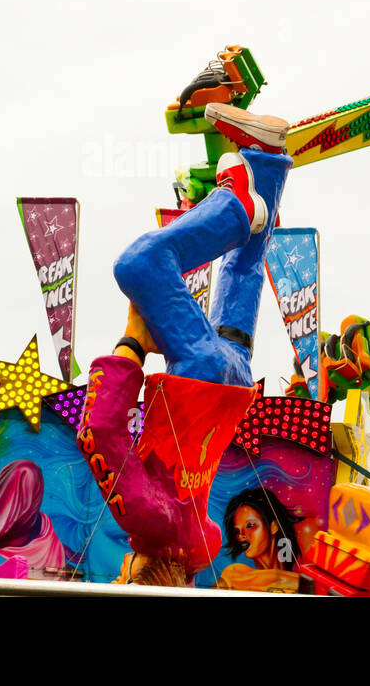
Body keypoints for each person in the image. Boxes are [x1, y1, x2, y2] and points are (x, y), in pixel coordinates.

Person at [80, 102, 292, 582]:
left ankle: (269, 163)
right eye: (123, 581)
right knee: (139, 264)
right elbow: (99, 431)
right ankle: (237, 208)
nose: (117, 576)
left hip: (233, 379)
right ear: (139, 579)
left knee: (242, 267)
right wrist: (131, 343)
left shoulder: (201, 542)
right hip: (200, 375)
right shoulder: (152, 527)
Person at [216, 487, 303, 592]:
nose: (241, 535)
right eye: (237, 531)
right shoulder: (235, 576)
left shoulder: (299, 583)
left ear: (274, 527)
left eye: (250, 525)